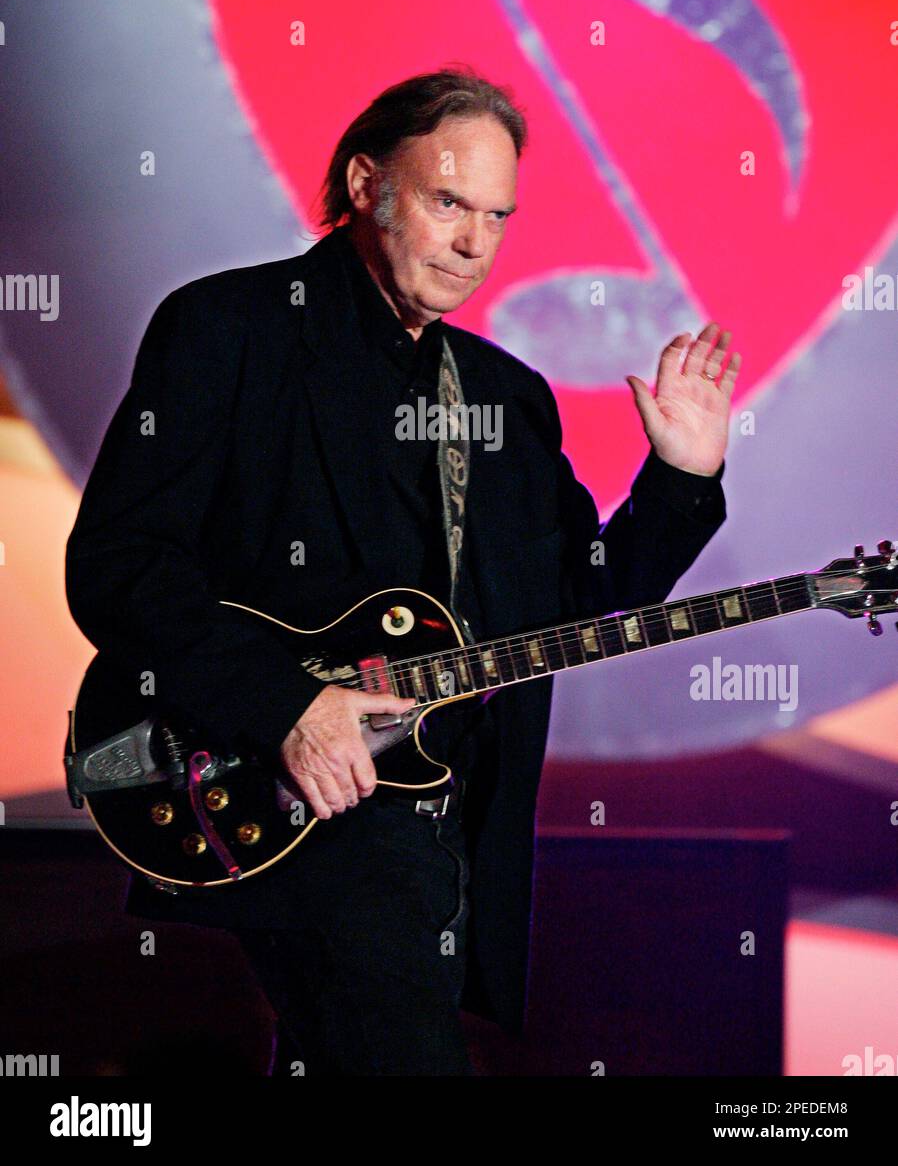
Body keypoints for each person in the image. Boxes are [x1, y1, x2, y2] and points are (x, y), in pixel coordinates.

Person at [65, 67, 737, 1076]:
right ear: (365, 180)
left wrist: (680, 479)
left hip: (439, 830)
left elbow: (572, 606)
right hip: (284, 797)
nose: (474, 244)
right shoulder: (229, 331)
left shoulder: (504, 399)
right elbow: (116, 565)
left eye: (496, 217)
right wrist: (289, 702)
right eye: (446, 202)